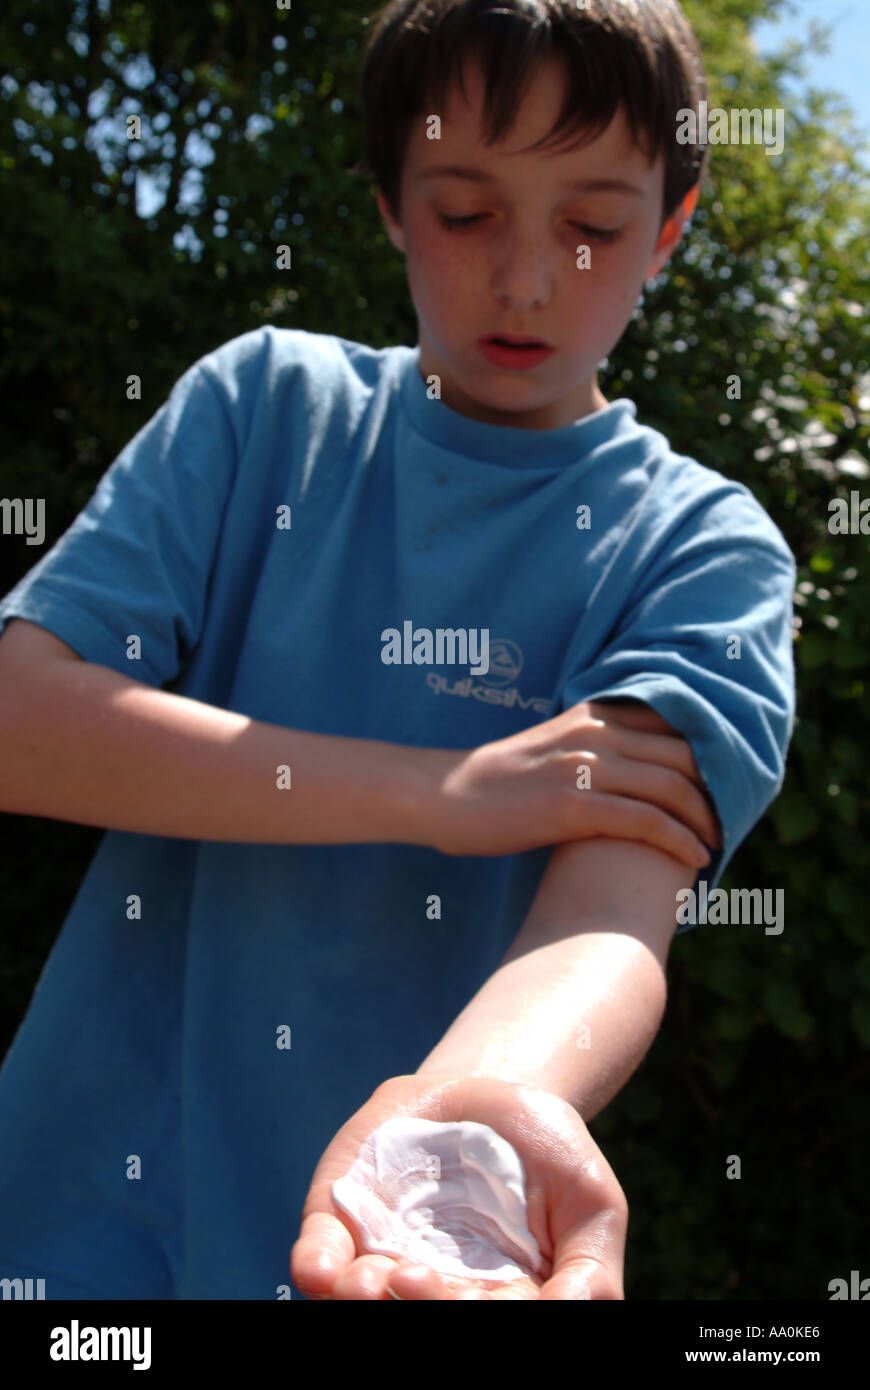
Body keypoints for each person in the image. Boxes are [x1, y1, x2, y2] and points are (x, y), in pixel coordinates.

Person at [0, 0, 795, 1301]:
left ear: (670, 228)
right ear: (387, 202)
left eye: (591, 225)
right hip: (62, 1240)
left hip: (412, 1253)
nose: (526, 278)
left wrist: (471, 1116)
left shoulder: (704, 551)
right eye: (465, 212)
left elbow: (608, 909)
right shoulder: (262, 407)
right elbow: (21, 722)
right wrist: (441, 795)